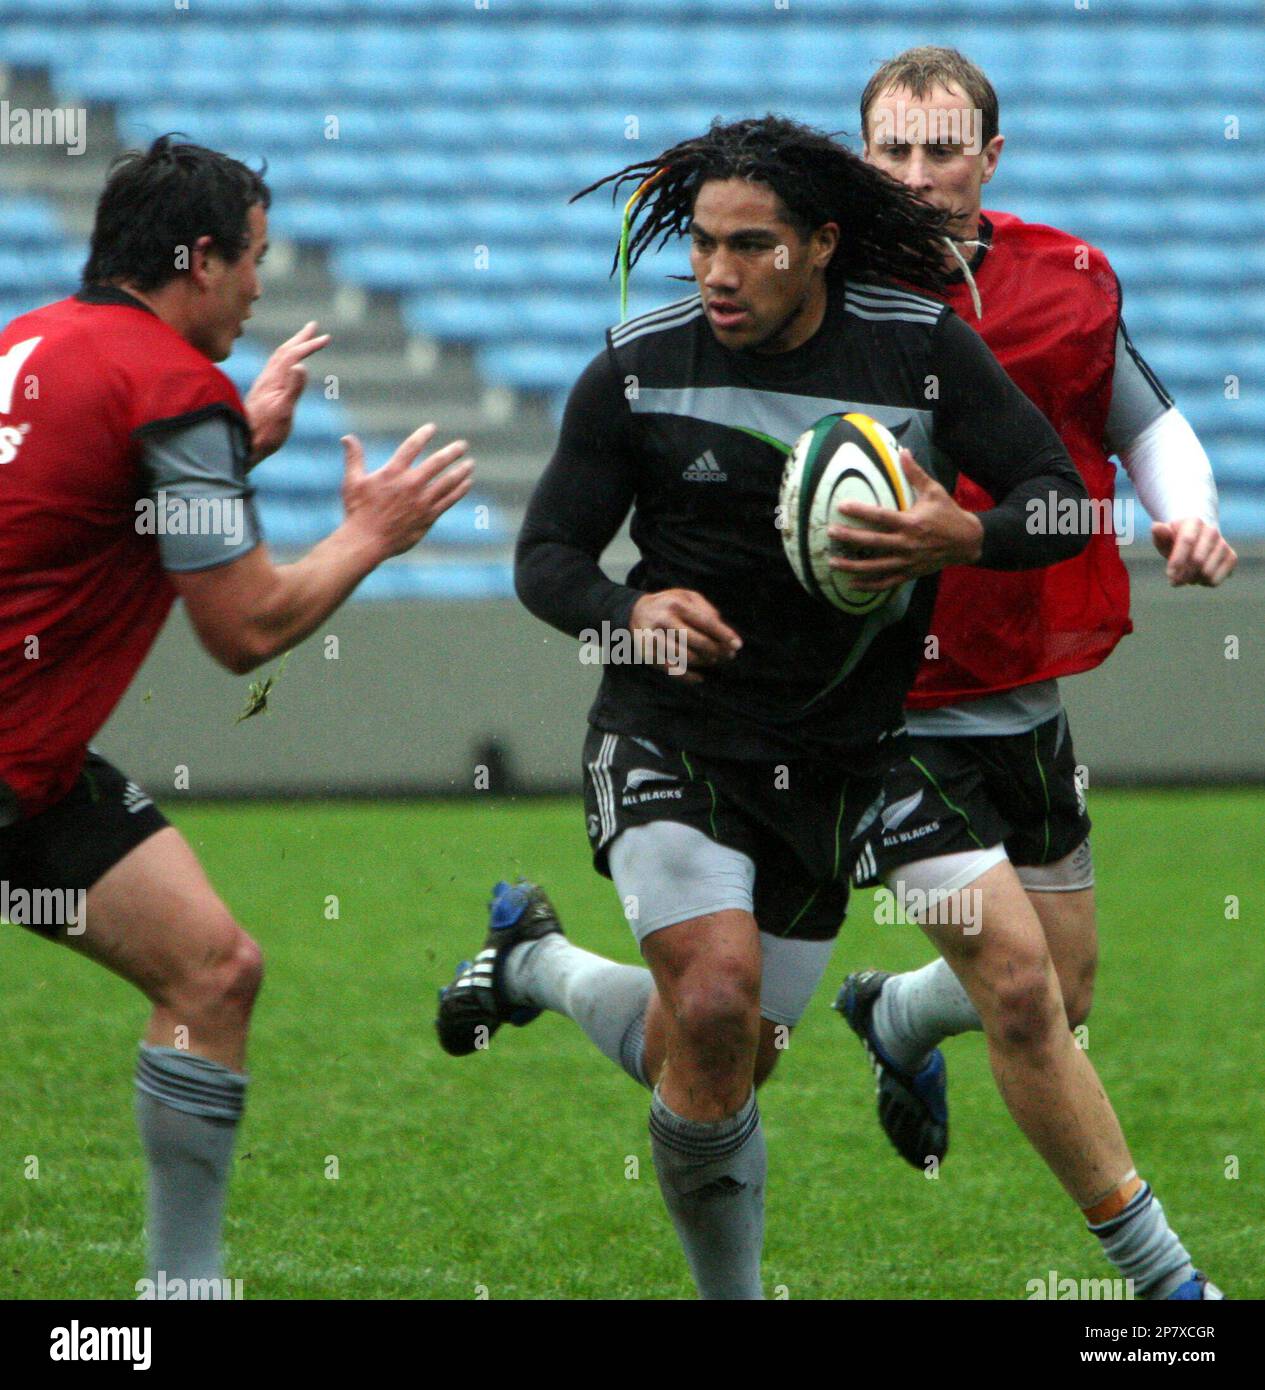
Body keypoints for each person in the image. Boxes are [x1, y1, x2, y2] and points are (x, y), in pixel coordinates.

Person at [436, 114, 1088, 1299]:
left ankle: (531, 966)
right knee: (718, 995)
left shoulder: (921, 350)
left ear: (822, 245)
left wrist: (968, 532)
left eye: (750, 246)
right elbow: (544, 561)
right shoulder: (637, 366)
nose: (716, 272)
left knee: (713, 1056)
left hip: (831, 762)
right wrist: (627, 614)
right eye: (700, 244)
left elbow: (1062, 506)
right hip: (666, 734)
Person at [0, 136, 472, 1296]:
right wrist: (372, 532)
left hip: (31, 773)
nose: (262, 288)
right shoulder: (169, 388)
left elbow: (80, 499)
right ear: (200, 260)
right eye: (254, 259)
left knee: (213, 971)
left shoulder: (31, 339)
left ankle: (182, 1297)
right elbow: (245, 629)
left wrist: (232, 452)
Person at [832, 46, 1231, 1300]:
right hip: (877, 701)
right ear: (860, 158)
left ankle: (889, 1015)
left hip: (1020, 688)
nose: (915, 172)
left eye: (940, 147)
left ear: (988, 158)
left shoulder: (1064, 279)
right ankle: (1167, 1290)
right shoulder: (812, 284)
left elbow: (1146, 423)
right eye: (889, 150)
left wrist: (1188, 513)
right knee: (1011, 991)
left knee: (1064, 989)